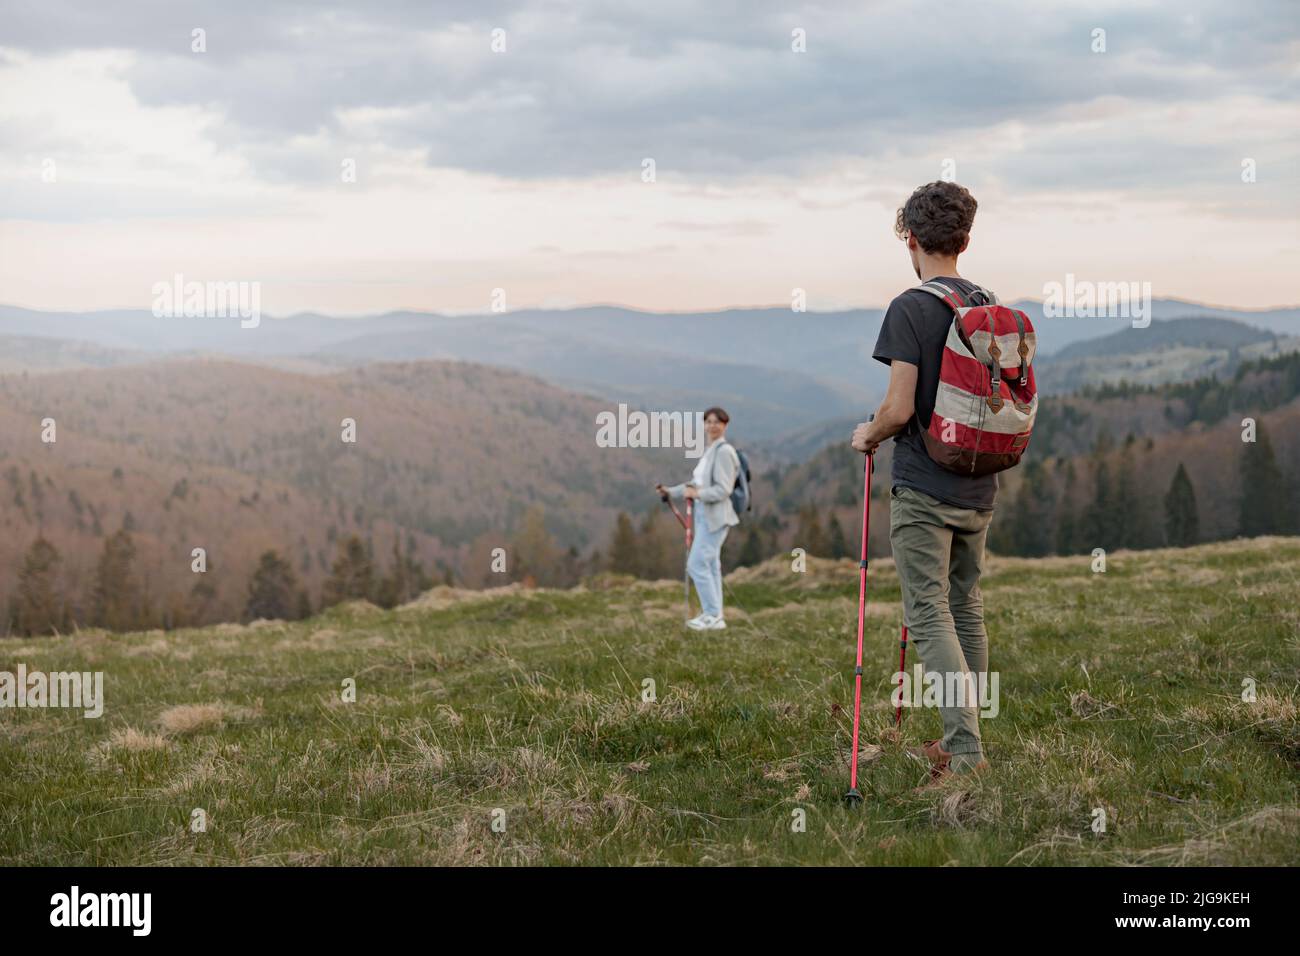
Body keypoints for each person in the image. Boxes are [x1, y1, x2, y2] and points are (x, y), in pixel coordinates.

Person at [851, 181, 995, 784]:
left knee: (929, 614)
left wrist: (869, 434)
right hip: (977, 484)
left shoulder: (910, 307)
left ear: (911, 238)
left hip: (923, 488)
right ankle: (964, 735)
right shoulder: (986, 302)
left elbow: (900, 408)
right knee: (965, 608)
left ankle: (965, 754)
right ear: (963, 237)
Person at [655, 407, 739, 630]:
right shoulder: (710, 451)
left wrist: (698, 494)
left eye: (717, 422)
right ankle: (715, 616)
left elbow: (723, 490)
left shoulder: (724, 452)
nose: (712, 425)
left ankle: (712, 615)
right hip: (705, 517)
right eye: (708, 421)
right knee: (710, 566)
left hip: (716, 518)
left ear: (725, 425)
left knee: (696, 564)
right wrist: (671, 491)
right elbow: (694, 484)